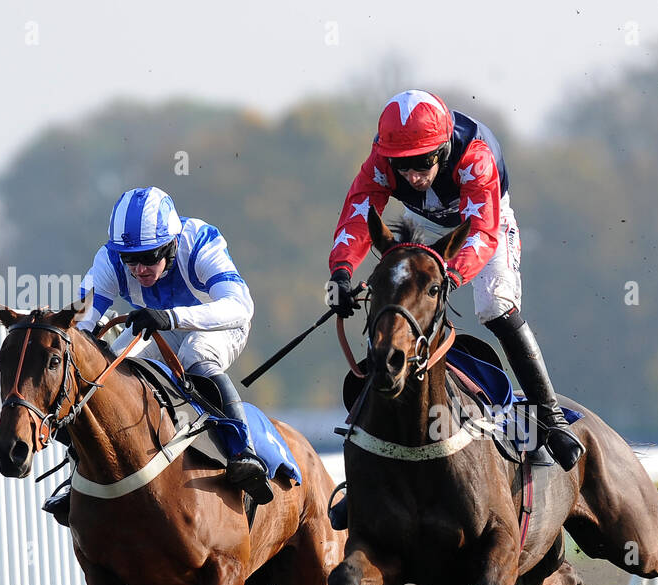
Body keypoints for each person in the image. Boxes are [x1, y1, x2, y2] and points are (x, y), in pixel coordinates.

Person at [326, 89, 585, 471]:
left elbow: (481, 232)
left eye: (424, 161)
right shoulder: (380, 163)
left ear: (444, 148)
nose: (413, 175)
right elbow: (357, 217)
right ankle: (372, 454)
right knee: (390, 310)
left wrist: (451, 274)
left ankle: (551, 418)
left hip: (480, 225)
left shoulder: (475, 157)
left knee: (495, 305)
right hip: (423, 232)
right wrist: (342, 273)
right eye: (403, 165)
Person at [42, 186, 271, 525]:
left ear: (171, 244)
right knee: (105, 376)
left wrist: (172, 317)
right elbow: (82, 324)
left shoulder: (201, 242)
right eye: (130, 259)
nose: (138, 269)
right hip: (157, 326)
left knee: (197, 355)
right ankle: (79, 469)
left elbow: (240, 306)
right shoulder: (109, 259)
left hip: (215, 325)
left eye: (149, 257)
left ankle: (243, 452)